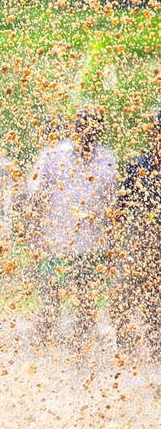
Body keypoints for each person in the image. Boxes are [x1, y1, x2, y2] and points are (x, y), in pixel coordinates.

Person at [21, 104, 117, 342]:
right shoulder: (53, 156)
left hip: (92, 244)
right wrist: (35, 236)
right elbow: (35, 196)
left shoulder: (107, 160)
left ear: (99, 131)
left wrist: (111, 239)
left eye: (92, 127)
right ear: (74, 128)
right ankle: (41, 350)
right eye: (82, 125)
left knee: (86, 303)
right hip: (56, 242)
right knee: (50, 301)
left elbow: (113, 204)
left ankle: (80, 354)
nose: (86, 132)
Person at [109, 107, 161, 358]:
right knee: (122, 295)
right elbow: (119, 207)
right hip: (138, 238)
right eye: (156, 131)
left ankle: (155, 351)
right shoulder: (137, 165)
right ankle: (126, 350)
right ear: (151, 135)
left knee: (155, 301)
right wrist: (114, 242)